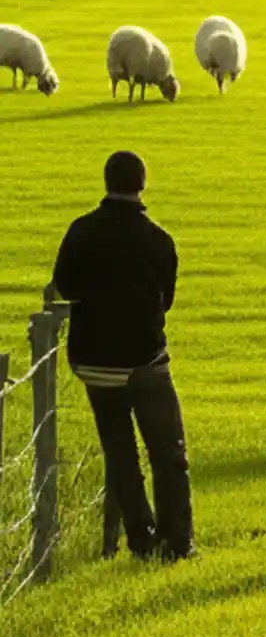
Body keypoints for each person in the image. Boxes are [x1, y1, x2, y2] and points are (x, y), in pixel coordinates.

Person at [52, 150, 194, 561]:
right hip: (145, 360)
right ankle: (177, 542)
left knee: (120, 450)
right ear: (142, 185)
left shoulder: (81, 231)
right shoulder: (158, 240)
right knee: (168, 451)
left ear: (106, 182)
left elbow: (65, 286)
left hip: (94, 362)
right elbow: (164, 302)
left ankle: (141, 539)